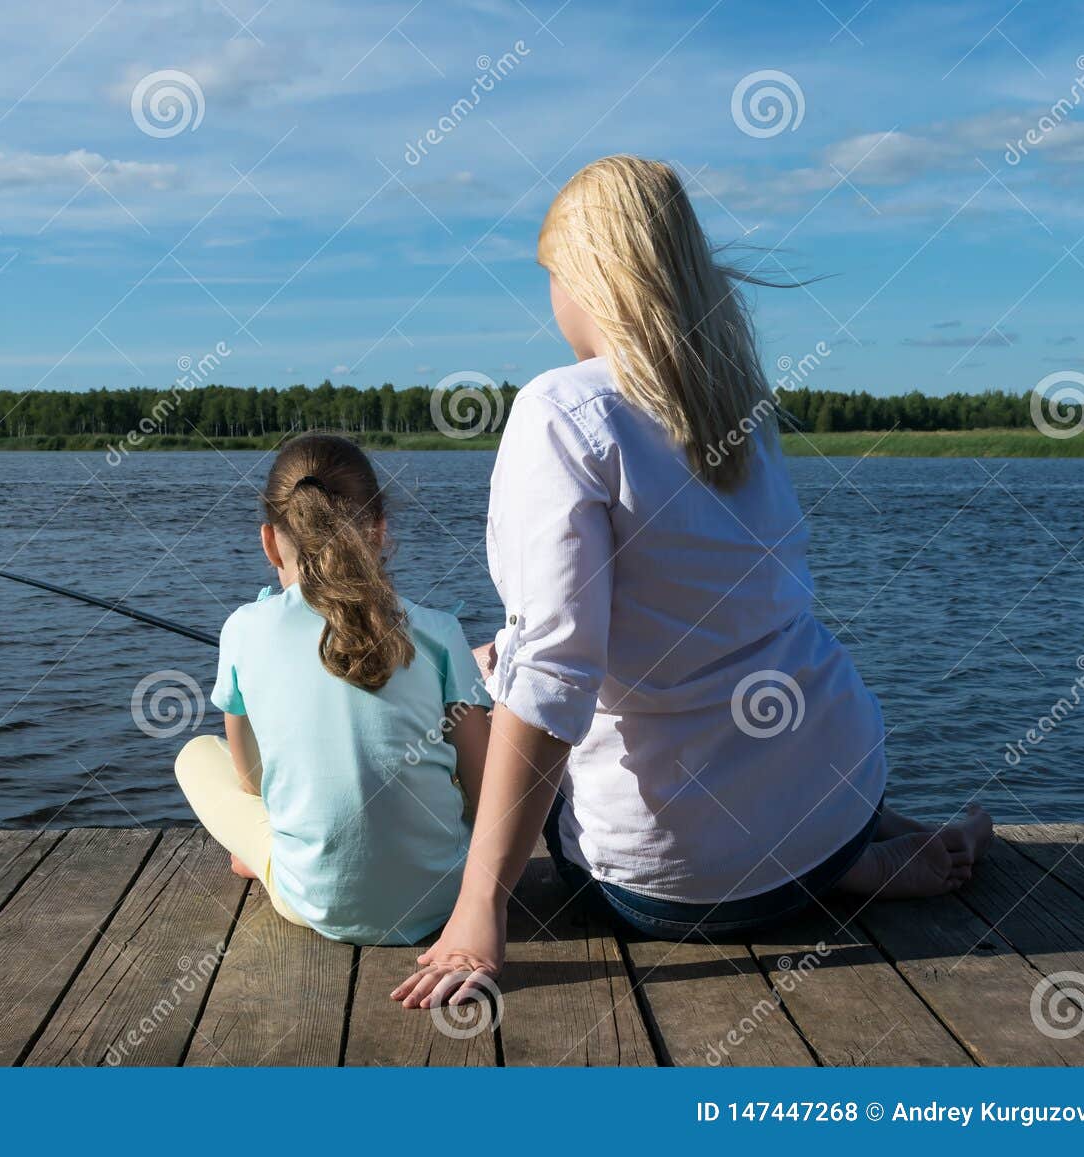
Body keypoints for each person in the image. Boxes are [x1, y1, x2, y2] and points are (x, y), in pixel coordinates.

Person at [393, 155, 993, 1008]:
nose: (552, 304)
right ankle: (858, 848)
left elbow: (558, 675)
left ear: (590, 275)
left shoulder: (561, 410)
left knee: (494, 688)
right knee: (509, 663)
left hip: (673, 889)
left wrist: (478, 908)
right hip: (840, 785)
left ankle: (827, 859)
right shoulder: (736, 405)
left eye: (553, 279)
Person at [175, 432, 492, 945]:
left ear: (268, 541)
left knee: (195, 754)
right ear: (379, 530)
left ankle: (262, 855)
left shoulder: (242, 629)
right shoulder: (441, 631)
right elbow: (485, 794)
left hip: (315, 903)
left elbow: (253, 782)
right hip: (448, 900)